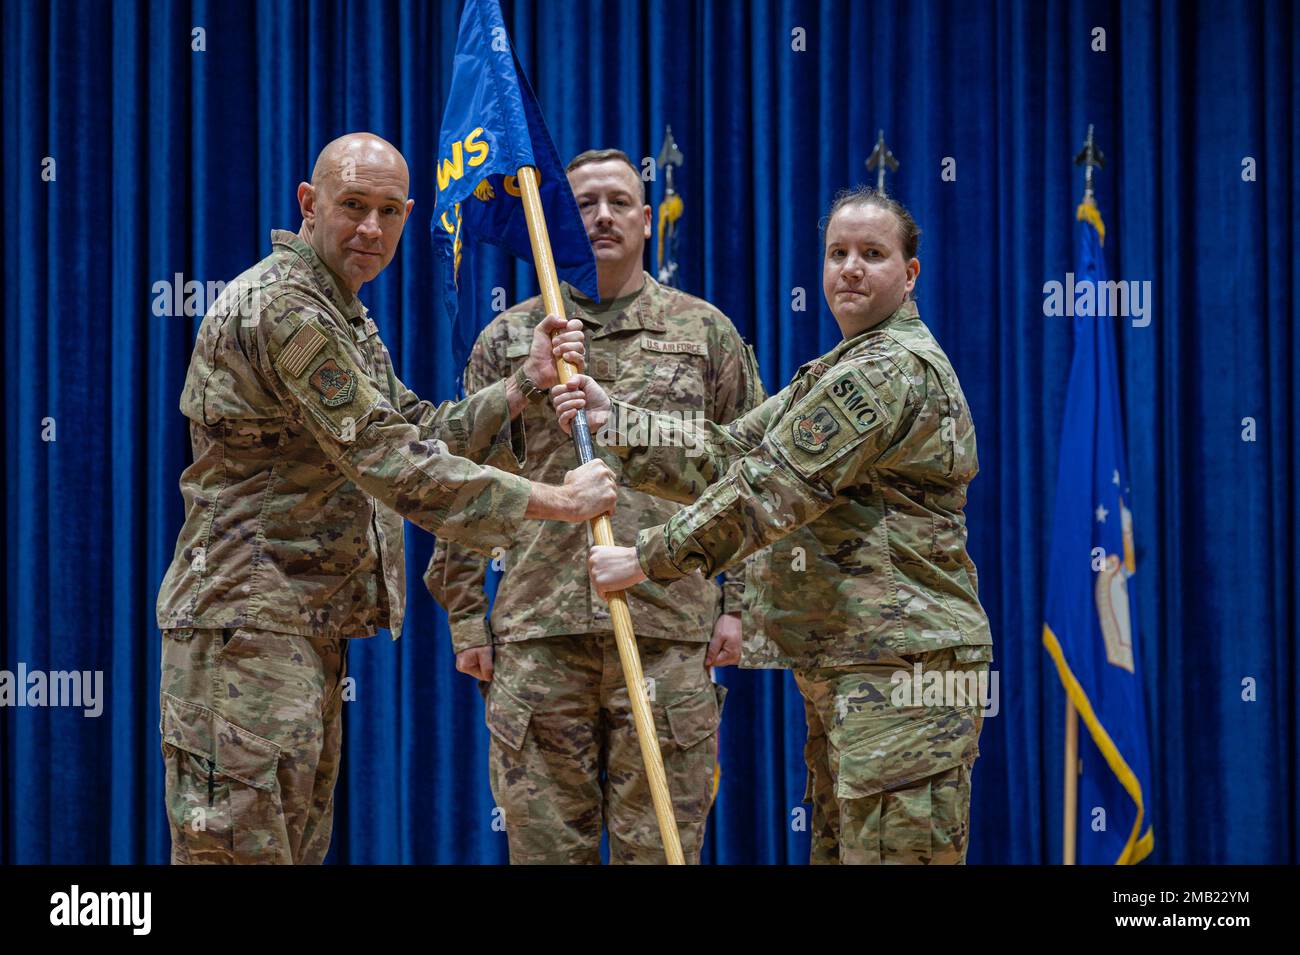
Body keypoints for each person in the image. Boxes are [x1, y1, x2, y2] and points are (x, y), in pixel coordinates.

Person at [155, 132, 617, 864]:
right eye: (353, 207)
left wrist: (522, 385)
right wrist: (557, 501)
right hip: (245, 631)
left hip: (295, 630)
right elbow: (392, 463)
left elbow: (419, 429)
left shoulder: (342, 312)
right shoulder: (288, 310)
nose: (371, 229)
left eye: (390, 212)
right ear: (310, 204)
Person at [556, 186, 993, 864]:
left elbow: (771, 489)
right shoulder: (845, 365)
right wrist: (618, 419)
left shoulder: (887, 370)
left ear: (910, 275)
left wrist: (645, 557)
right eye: (837, 253)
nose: (849, 268)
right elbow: (735, 451)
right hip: (859, 665)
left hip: (903, 671)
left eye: (872, 255)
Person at [426, 148, 765, 864]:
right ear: (558, 220)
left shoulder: (707, 335)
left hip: (667, 629)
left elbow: (753, 477)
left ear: (648, 219)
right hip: (538, 631)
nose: (603, 215)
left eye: (619, 201)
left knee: (662, 850)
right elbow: (460, 478)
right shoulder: (512, 341)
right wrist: (464, 615)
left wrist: (742, 605)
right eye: (584, 204)